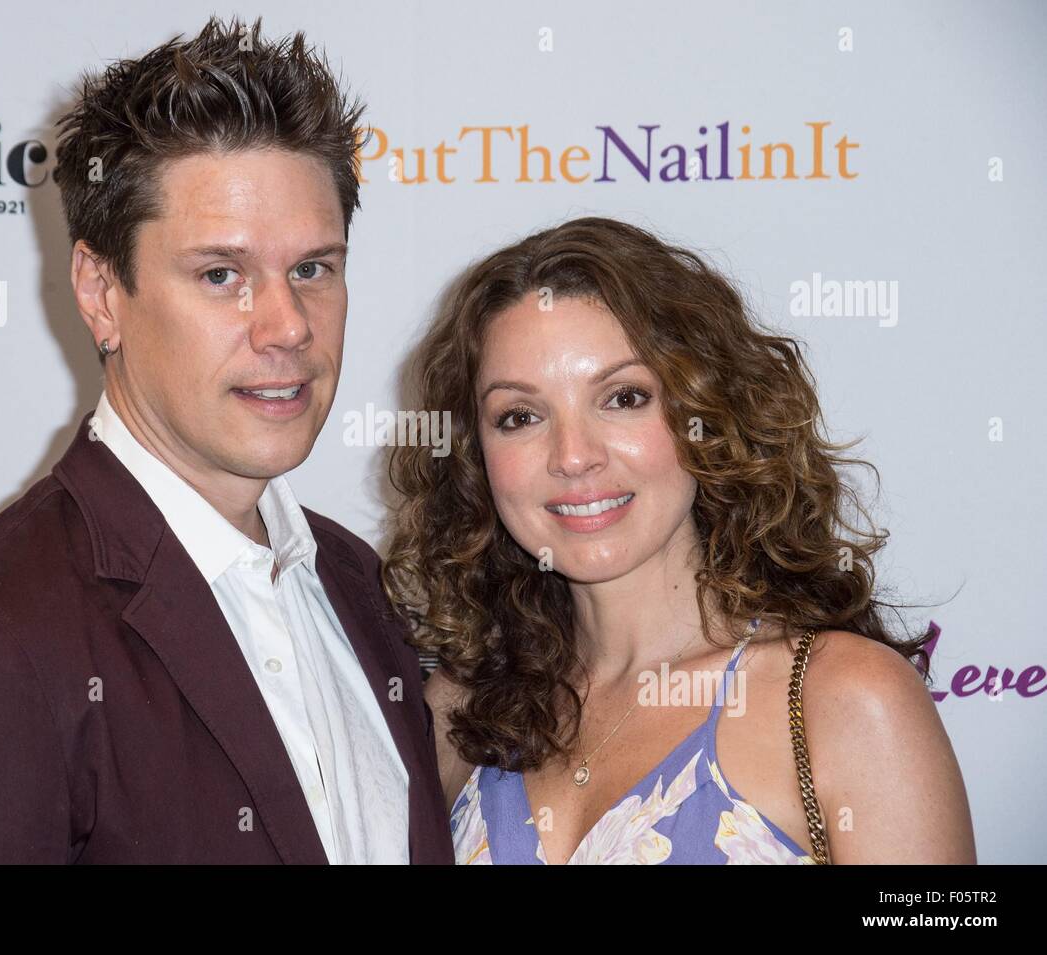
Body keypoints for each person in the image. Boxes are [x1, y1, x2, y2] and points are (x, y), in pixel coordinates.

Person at [0, 15, 452, 864]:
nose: (289, 325)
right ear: (101, 293)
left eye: (313, 268)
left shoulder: (357, 587)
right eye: (222, 275)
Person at [380, 216, 976, 864]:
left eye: (624, 397)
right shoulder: (462, 713)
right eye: (520, 416)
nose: (573, 455)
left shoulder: (846, 700)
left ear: (707, 417)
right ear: (476, 453)